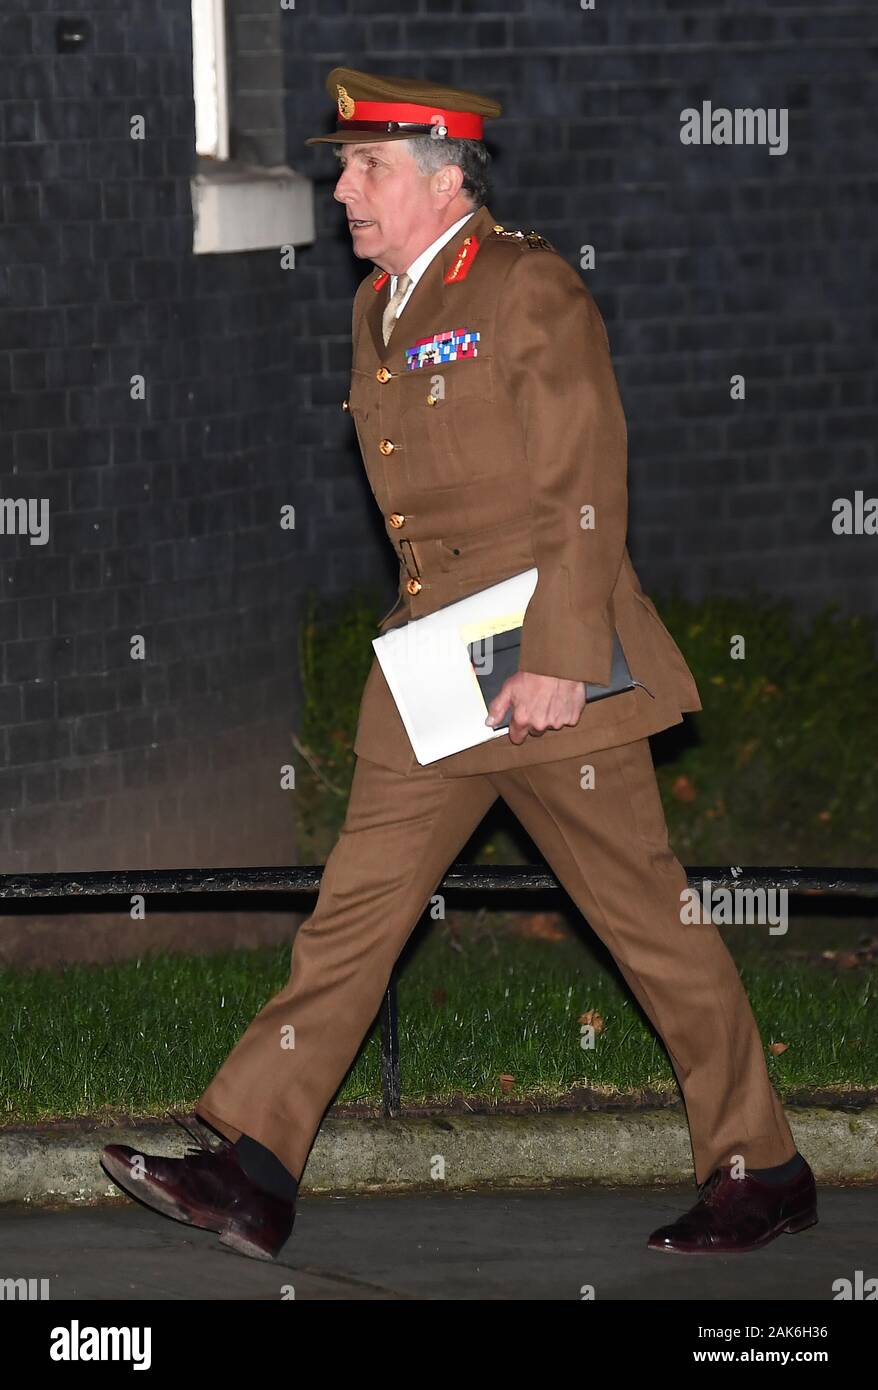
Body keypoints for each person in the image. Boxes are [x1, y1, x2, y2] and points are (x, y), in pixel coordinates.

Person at [101, 66, 817, 1264]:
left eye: (364, 168)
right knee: (352, 916)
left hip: (543, 665)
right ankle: (252, 1164)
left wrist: (559, 657)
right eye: (340, 168)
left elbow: (584, 485)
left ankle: (764, 1169)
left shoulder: (526, 284)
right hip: (436, 663)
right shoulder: (382, 302)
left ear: (442, 181)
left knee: (646, 921)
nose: (341, 190)